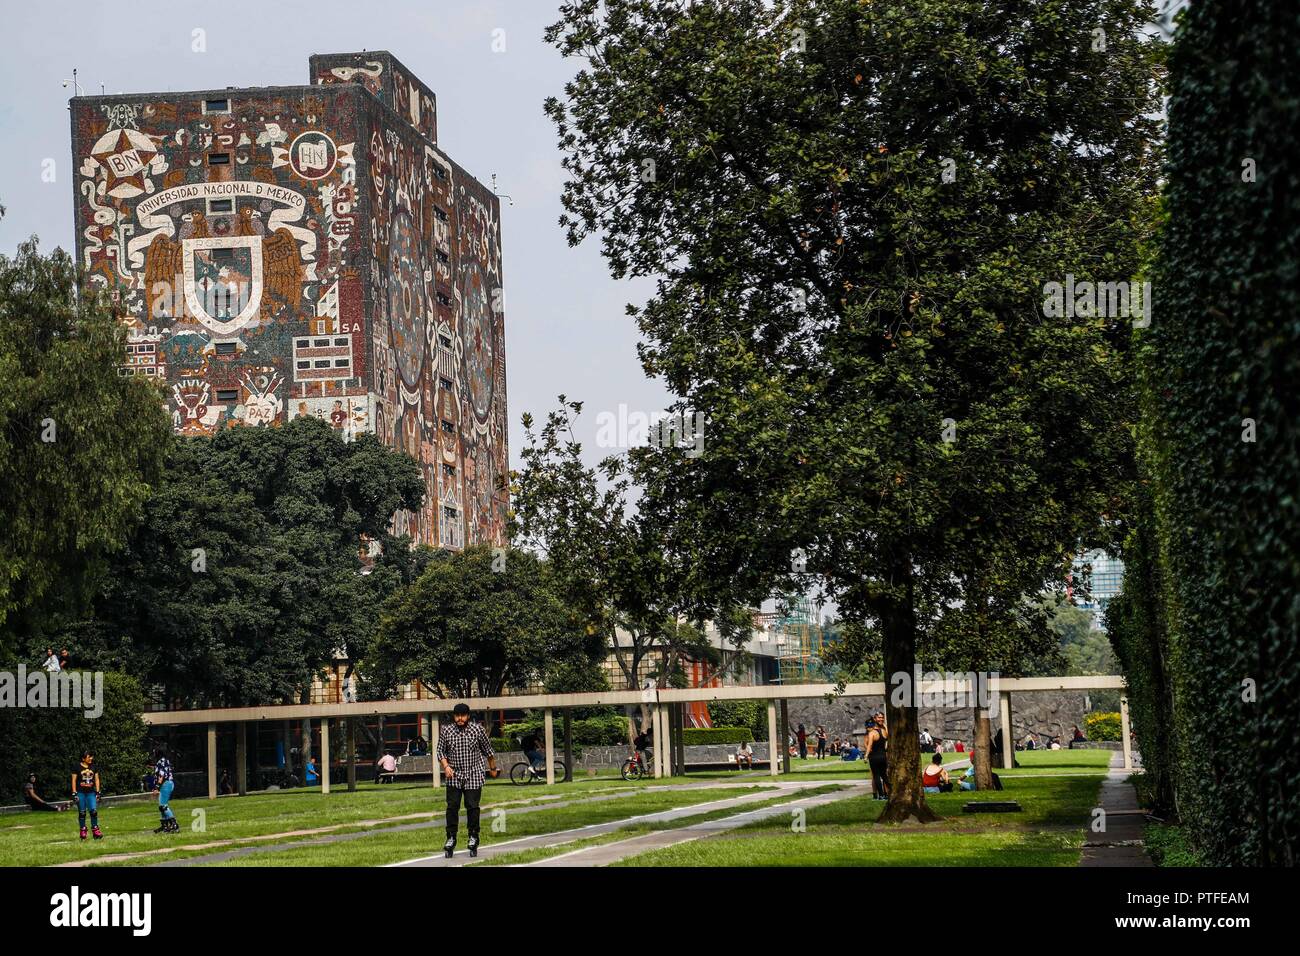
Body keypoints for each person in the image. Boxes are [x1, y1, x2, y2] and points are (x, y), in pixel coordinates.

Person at [437, 703, 499, 858]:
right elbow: (440, 750)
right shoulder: (446, 730)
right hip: (454, 775)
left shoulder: (477, 729)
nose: (460, 718)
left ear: (468, 716)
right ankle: (451, 837)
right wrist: (446, 766)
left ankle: (473, 836)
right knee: (452, 807)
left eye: (463, 715)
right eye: (457, 715)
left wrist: (493, 768)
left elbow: (488, 750)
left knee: (472, 806)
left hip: (474, 774)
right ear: (454, 716)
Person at [71, 751, 103, 840]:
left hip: (91, 793)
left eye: (91, 757)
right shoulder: (76, 767)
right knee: (82, 812)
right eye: (89, 757)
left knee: (93, 811)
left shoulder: (94, 766)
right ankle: (83, 830)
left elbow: (97, 779)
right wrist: (74, 793)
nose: (91, 759)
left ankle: (95, 830)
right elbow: (73, 780)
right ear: (83, 758)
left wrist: (98, 791)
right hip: (80, 792)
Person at [151, 748, 179, 834]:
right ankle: (165, 825)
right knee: (161, 806)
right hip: (167, 784)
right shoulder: (165, 761)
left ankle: (174, 825)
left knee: (163, 806)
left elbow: (161, 775)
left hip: (165, 784)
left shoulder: (161, 762)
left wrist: (157, 787)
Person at [865, 712, 889, 800]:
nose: (881, 719)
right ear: (875, 719)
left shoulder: (872, 733)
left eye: (882, 717)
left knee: (876, 776)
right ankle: (888, 793)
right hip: (883, 756)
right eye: (879, 718)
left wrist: (866, 755)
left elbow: (869, 746)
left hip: (874, 757)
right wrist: (885, 727)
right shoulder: (883, 731)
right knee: (884, 776)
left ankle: (881, 795)